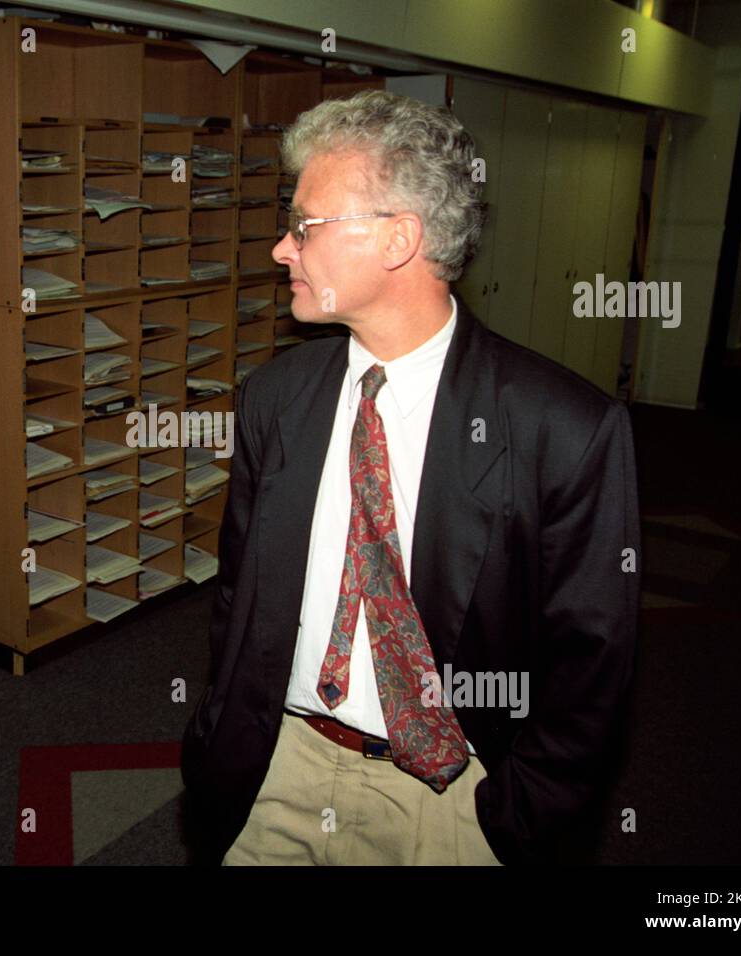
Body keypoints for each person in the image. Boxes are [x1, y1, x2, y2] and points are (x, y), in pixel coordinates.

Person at [180, 91, 641, 866]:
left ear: (398, 239)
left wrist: (508, 819)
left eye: (305, 225)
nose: (281, 250)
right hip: (275, 773)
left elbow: (591, 668)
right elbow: (238, 598)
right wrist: (215, 737)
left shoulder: (561, 427)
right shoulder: (275, 399)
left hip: (451, 800)